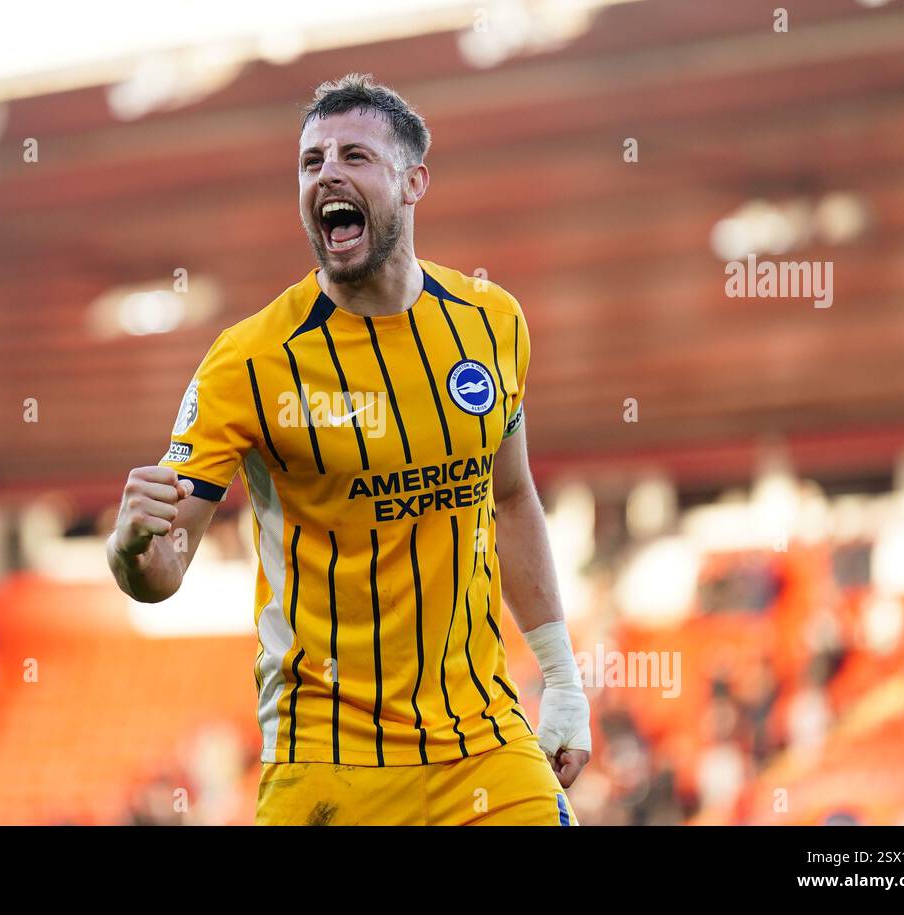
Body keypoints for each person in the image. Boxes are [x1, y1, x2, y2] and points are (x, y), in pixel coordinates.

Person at [109, 73, 590, 825]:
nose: (326, 172)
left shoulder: (492, 322)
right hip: (328, 758)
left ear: (412, 181)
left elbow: (513, 494)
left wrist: (561, 677)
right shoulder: (249, 361)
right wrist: (130, 550)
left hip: (485, 741)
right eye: (311, 161)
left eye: (354, 155)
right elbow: (162, 571)